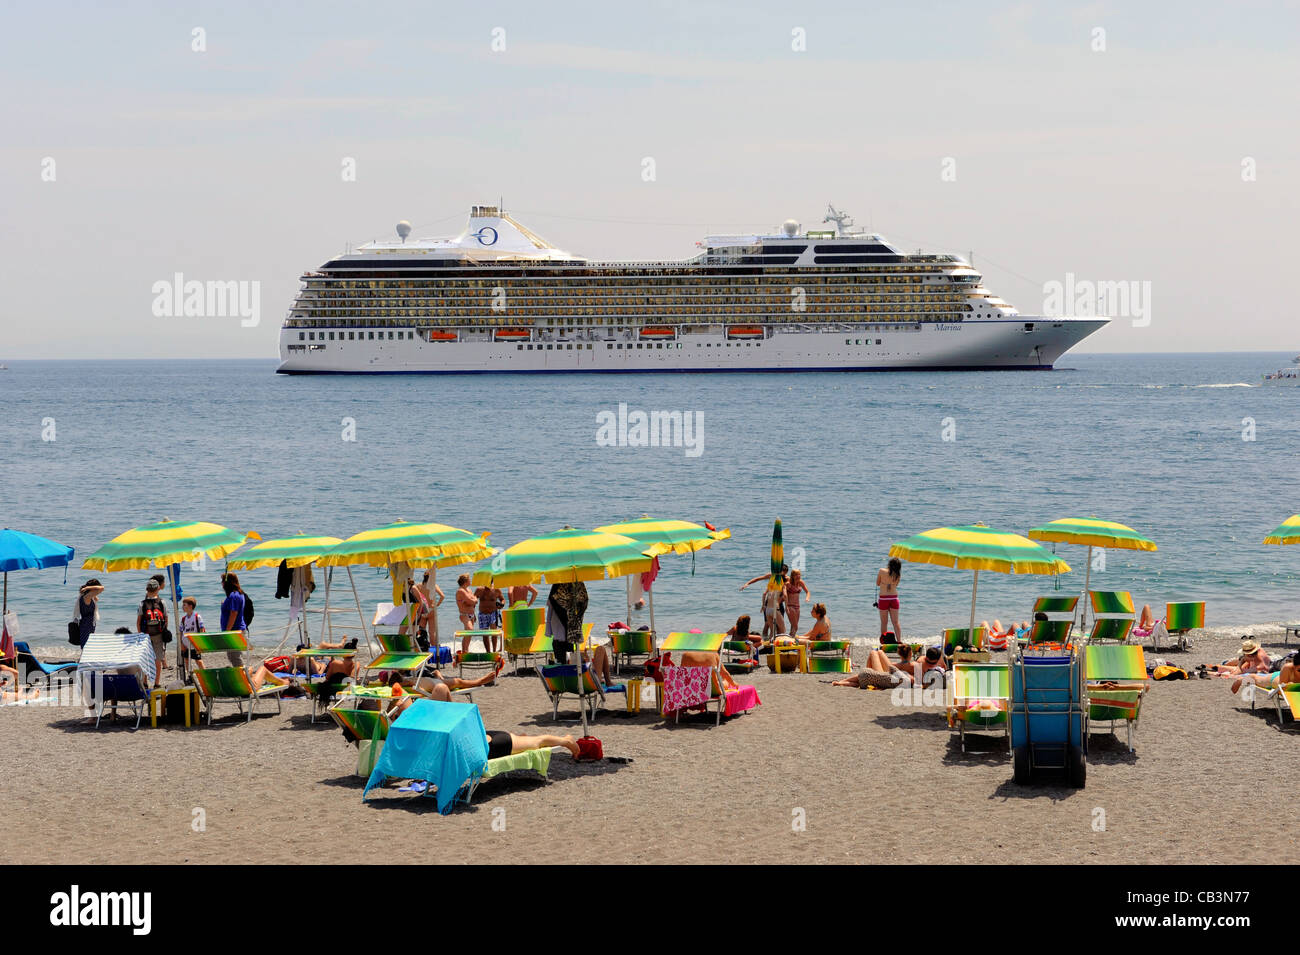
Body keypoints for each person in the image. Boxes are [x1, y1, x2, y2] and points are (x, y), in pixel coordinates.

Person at [136, 579, 169, 688]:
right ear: (158, 589)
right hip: (159, 635)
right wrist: (164, 631)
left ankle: (145, 682)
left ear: (147, 590)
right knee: (158, 659)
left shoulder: (142, 603)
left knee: (146, 659)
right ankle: (157, 683)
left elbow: (139, 622)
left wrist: (140, 634)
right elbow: (166, 618)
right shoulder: (162, 602)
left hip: (146, 635)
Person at [834, 644, 914, 689]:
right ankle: (843, 682)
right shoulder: (913, 667)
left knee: (874, 652)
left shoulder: (900, 667)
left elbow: (892, 669)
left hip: (884, 675)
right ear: (910, 654)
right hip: (886, 678)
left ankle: (843, 681)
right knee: (880, 652)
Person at [547, 582, 589, 664]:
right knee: (569, 659)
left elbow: (550, 610)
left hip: (561, 633)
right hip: (571, 631)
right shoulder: (576, 586)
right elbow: (584, 603)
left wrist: (548, 631)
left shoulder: (557, 589)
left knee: (562, 660)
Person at [220, 573, 249, 667]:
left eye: (223, 581)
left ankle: (244, 677)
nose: (221, 583)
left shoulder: (234, 595)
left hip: (234, 630)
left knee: (235, 657)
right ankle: (242, 675)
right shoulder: (237, 594)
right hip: (235, 629)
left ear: (227, 583)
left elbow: (234, 613)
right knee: (232, 656)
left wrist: (228, 631)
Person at [471, 583, 504, 654]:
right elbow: (473, 602)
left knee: (494, 633)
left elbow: (502, 599)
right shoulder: (479, 589)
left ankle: (494, 651)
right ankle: (488, 652)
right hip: (482, 614)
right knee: (485, 634)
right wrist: (473, 614)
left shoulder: (496, 589)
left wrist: (502, 604)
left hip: (493, 613)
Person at [876, 557, 902, 640]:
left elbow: (878, 583)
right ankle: (899, 640)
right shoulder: (898, 574)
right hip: (894, 599)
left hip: (883, 599)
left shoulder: (881, 571)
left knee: (884, 622)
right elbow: (896, 585)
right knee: (896, 622)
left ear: (889, 564)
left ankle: (884, 641)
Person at [75, 579, 104, 648]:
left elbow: (97, 597)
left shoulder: (87, 596)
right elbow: (102, 588)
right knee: (86, 644)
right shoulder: (86, 597)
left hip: (87, 623)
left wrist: (92, 592)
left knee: (87, 643)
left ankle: (84, 657)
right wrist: (87, 588)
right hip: (87, 624)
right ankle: (83, 658)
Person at [784, 569, 810, 636]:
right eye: (796, 575)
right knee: (795, 627)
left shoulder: (800, 582)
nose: (798, 576)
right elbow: (784, 595)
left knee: (793, 627)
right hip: (790, 606)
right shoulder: (788, 584)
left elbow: (807, 592)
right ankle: (790, 638)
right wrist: (786, 606)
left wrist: (807, 598)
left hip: (797, 607)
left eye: (799, 574)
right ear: (792, 576)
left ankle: (790, 639)